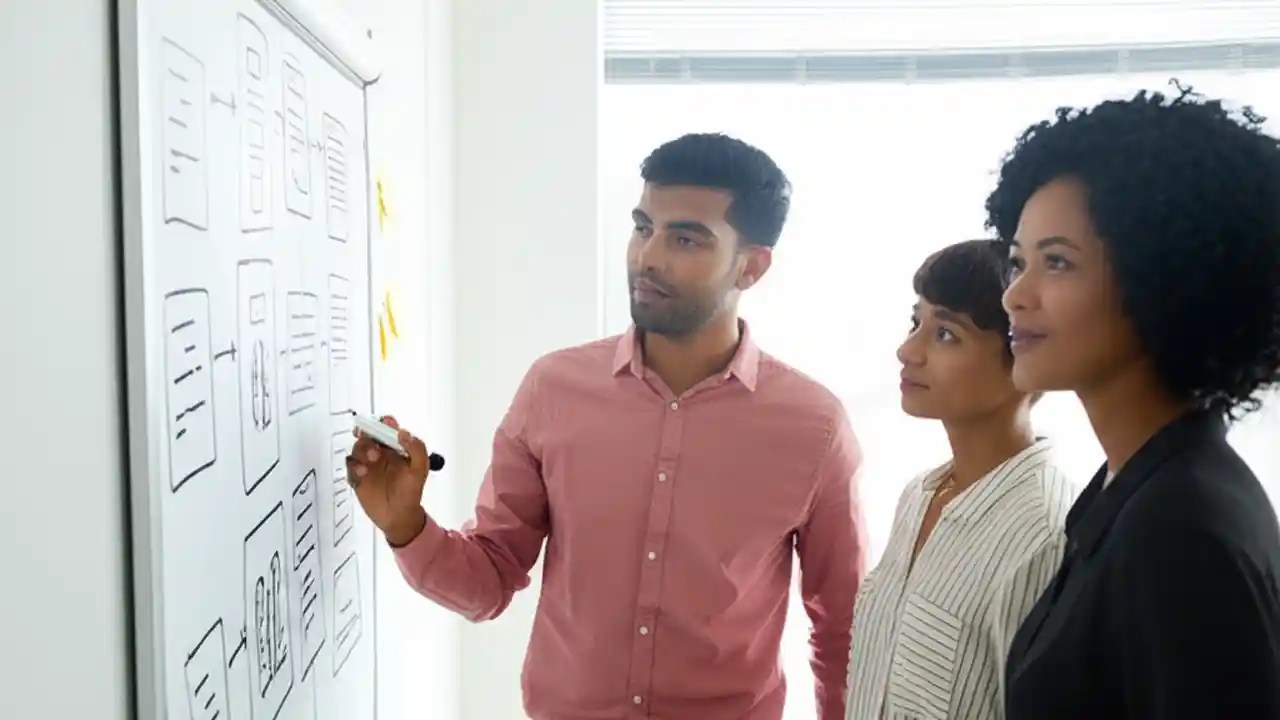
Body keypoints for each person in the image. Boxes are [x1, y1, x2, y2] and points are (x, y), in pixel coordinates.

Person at [346, 133, 868, 719]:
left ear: (751, 266)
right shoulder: (553, 390)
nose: (649, 256)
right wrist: (406, 525)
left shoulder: (814, 427)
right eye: (643, 226)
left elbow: (844, 631)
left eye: (686, 239)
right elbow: (491, 578)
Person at [988, 83, 1280, 718]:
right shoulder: (1138, 487)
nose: (1016, 294)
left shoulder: (1181, 530)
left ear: (1164, 279)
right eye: (1017, 263)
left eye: (1058, 263)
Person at [844, 239, 1075, 719]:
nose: (908, 351)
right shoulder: (920, 494)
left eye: (945, 334)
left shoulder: (1046, 533)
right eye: (916, 323)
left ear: (1025, 353)